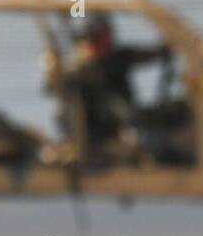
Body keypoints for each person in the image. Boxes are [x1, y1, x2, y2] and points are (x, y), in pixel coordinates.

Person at [64, 12, 169, 164]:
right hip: (96, 124)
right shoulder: (80, 67)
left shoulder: (118, 57)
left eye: (107, 35)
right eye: (100, 37)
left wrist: (164, 50)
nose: (106, 41)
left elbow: (144, 55)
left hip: (120, 119)